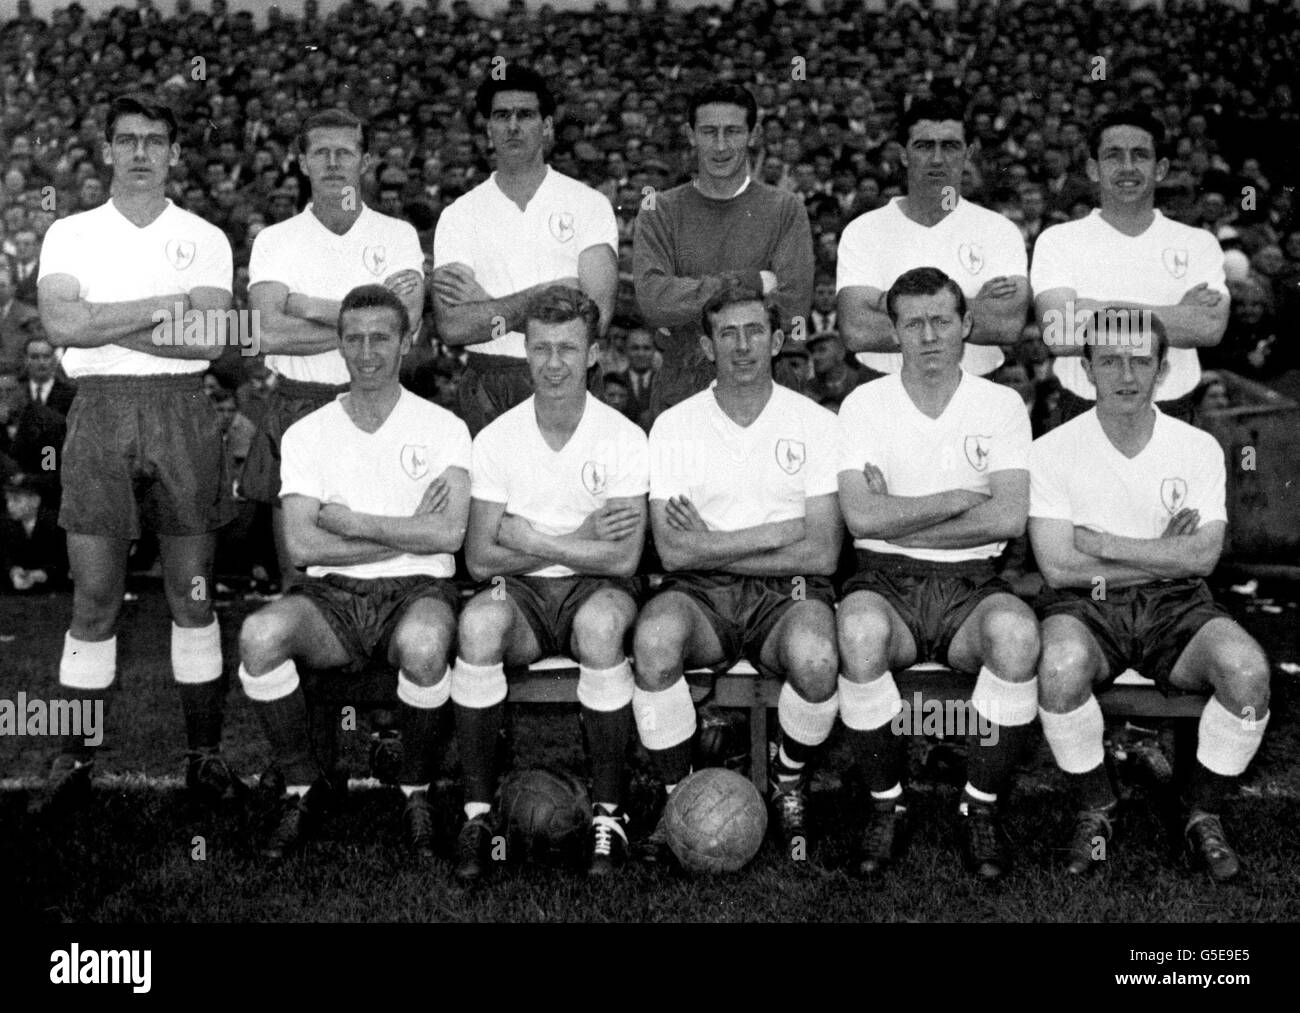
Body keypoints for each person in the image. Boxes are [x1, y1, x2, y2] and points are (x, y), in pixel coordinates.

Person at [34, 94, 238, 811]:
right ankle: (71, 757)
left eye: (156, 140)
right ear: (109, 150)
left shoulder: (205, 235)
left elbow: (210, 339)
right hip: (100, 413)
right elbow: (61, 321)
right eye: (128, 140)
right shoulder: (71, 233)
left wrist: (101, 324)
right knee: (92, 597)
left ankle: (205, 757)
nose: (142, 152)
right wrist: (160, 307)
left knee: (192, 591)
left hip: (183, 407)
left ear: (176, 153)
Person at [1029, 309, 1270, 882]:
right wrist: (1161, 551)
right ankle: (1097, 806)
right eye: (1110, 360)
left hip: (1179, 605)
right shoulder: (1053, 448)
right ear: (1086, 368)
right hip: (1085, 605)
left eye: (1141, 361)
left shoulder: (1198, 447)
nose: (1126, 375)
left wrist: (1105, 544)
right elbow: (1060, 567)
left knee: (1248, 673)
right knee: (1059, 667)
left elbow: (1203, 558)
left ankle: (1200, 814)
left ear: (1163, 370)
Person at [238, 284, 471, 861]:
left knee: (423, 646)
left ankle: (414, 788)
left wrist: (352, 523)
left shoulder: (444, 427)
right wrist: (400, 531)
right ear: (338, 345)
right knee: (258, 636)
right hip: (332, 596)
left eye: (381, 338)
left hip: (420, 589)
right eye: (355, 339)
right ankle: (301, 785)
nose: (368, 353)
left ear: (408, 341)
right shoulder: (307, 432)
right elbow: (299, 544)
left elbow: (446, 537)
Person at [836, 267, 1039, 882]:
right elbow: (858, 519)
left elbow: (1007, 518)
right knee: (859, 634)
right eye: (913, 323)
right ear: (893, 331)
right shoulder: (863, 403)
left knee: (1018, 636)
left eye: (941, 321)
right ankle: (887, 803)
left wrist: (895, 515)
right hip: (883, 580)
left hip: (972, 582)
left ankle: (979, 807)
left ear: (966, 325)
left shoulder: (1001, 404)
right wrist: (956, 498)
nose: (928, 335)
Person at [635, 276, 842, 862]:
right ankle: (680, 797)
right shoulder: (674, 425)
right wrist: (781, 530)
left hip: (790, 591)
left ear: (778, 341)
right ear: (707, 347)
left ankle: (787, 778)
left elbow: (822, 553)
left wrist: (715, 539)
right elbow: (674, 553)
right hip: (699, 592)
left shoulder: (816, 424)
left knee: (819, 660)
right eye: (728, 334)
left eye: (755, 332)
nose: (743, 346)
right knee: (652, 643)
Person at [451, 286, 648, 883]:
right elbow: (481, 560)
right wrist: (578, 538)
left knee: (601, 625)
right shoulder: (496, 439)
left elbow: (623, 558)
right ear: (525, 353)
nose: (553, 363)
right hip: (522, 594)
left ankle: (609, 814)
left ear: (593, 355)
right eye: (541, 348)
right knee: (479, 624)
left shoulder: (623, 438)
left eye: (567, 348)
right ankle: (478, 813)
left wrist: (533, 537)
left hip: (595, 588)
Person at [244, 109, 424, 591]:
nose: (332, 163)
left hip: (375, 404)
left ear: (364, 161)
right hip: (297, 403)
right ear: (301, 162)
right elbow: (264, 332)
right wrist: (368, 324)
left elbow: (405, 328)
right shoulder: (275, 240)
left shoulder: (397, 235)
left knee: (383, 559)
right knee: (299, 572)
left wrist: (305, 306)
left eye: (344, 152)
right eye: (320, 152)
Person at [432, 66, 618, 435]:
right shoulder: (459, 215)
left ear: (546, 126)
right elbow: (453, 326)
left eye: (526, 115)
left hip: (565, 373)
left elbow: (597, 316)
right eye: (502, 116)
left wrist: (488, 306)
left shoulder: (588, 204)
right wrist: (544, 297)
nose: (513, 126)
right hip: (490, 383)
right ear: (488, 128)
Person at [1031, 109, 1228, 424]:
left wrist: (1093, 310)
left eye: (1139, 155)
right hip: (1083, 410)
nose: (1127, 168)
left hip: (1172, 411)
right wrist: (1176, 314)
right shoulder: (1058, 240)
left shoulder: (1198, 243)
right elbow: (1060, 333)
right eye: (1113, 156)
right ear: (1093, 169)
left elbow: (1209, 327)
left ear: (1160, 168)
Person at [634, 82, 814, 423]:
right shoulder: (659, 209)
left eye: (732, 132)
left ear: (753, 134)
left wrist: (687, 298)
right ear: (690, 134)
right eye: (708, 132)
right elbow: (654, 302)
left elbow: (793, 309)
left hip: (767, 389)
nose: (720, 146)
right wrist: (750, 282)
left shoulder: (785, 208)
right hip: (682, 388)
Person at [837, 97, 1029, 381]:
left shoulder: (999, 230)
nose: (937, 159)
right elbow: (857, 331)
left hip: (978, 386)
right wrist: (969, 305)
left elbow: (1006, 325)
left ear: (968, 153)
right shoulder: (864, 230)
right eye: (924, 146)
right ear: (903, 154)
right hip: (884, 385)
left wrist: (888, 302)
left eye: (950, 146)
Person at [805, 329, 867, 411]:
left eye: (822, 350)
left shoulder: (862, 383)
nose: (815, 356)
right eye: (813, 351)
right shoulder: (810, 388)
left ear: (841, 353)